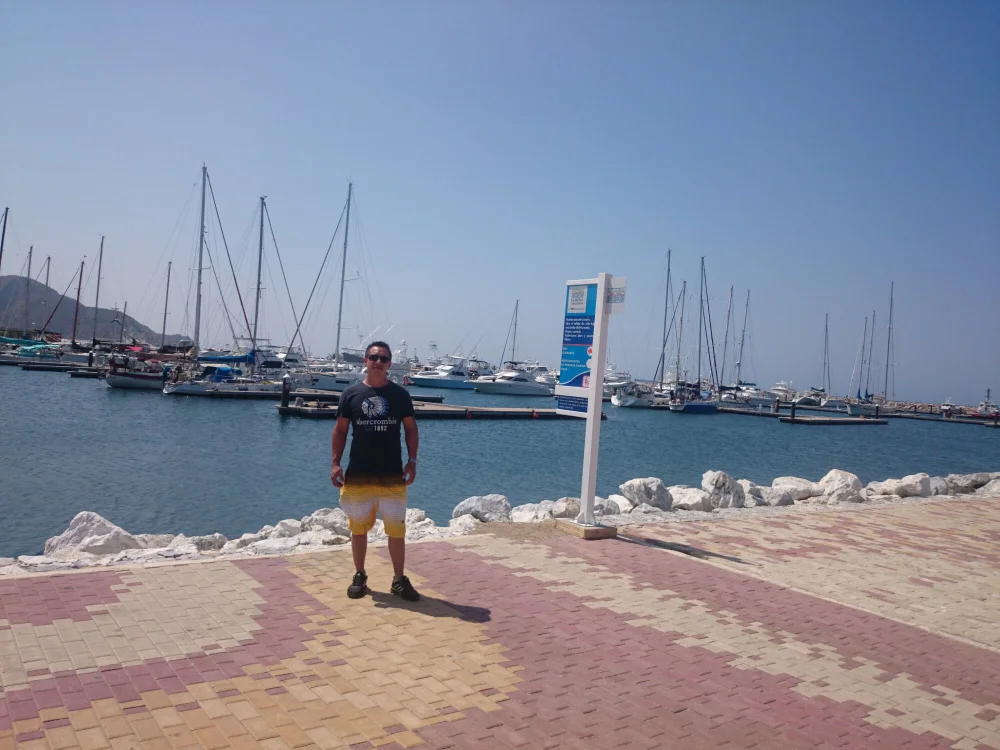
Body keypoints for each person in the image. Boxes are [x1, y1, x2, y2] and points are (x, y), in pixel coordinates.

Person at [330, 341, 420, 601]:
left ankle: (399, 580)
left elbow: (411, 428)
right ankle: (359, 574)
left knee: (396, 530)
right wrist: (335, 463)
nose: (378, 362)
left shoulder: (400, 395)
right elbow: (340, 430)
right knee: (358, 528)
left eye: (383, 359)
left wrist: (412, 460)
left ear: (390, 364)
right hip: (359, 473)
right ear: (365, 361)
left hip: (392, 475)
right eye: (373, 357)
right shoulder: (351, 394)